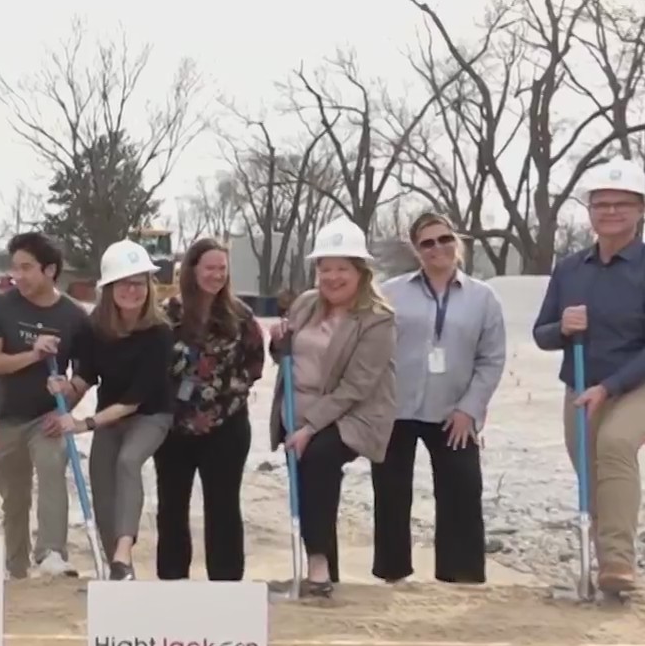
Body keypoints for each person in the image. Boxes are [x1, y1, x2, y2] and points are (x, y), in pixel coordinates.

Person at [372, 212, 506, 585]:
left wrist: (470, 409)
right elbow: (369, 345)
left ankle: (460, 574)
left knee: (462, 489)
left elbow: (491, 358)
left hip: (454, 412)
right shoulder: (391, 292)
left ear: (456, 242)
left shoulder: (483, 298)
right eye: (427, 242)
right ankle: (392, 572)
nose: (437, 248)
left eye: (444, 239)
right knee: (391, 492)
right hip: (396, 407)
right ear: (416, 250)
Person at [267, 218, 398, 598]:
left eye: (343, 268)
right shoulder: (308, 303)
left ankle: (319, 568)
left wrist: (309, 428)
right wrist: (278, 344)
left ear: (361, 272)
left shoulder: (378, 319)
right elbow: (288, 356)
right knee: (308, 475)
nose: (333, 277)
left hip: (354, 412)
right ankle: (322, 572)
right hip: (302, 406)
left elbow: (357, 385)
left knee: (320, 459)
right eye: (325, 268)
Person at [534, 157, 645, 600]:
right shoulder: (570, 268)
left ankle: (619, 558)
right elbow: (541, 334)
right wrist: (563, 327)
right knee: (589, 472)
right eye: (601, 204)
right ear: (590, 211)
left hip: (634, 383)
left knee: (615, 446)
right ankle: (606, 571)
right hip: (581, 385)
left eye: (622, 204)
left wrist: (610, 387)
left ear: (640, 210)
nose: (611, 212)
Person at [50, 240, 175, 581]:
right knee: (102, 483)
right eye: (124, 283)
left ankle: (123, 551)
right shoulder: (95, 328)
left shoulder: (160, 333)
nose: (131, 290)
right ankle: (118, 570)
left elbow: (136, 399)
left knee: (128, 461)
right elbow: (87, 375)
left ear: (148, 287)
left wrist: (85, 423)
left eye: (138, 282)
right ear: (109, 288)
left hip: (150, 416)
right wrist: (66, 388)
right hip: (111, 417)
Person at [0, 231, 92, 577]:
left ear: (50, 270)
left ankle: (52, 552)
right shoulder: (0, 306)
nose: (18, 276)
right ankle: (15, 565)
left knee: (52, 468)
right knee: (15, 497)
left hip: (47, 417)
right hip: (5, 415)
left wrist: (67, 400)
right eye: (15, 268)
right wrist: (33, 354)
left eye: (27, 268)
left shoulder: (74, 316)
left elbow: (86, 375)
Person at [154, 237, 265, 582]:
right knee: (172, 505)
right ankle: (172, 578)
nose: (216, 275)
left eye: (222, 268)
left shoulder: (241, 315)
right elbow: (151, 363)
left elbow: (255, 362)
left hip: (227, 426)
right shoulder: (167, 314)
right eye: (209, 268)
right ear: (192, 270)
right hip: (173, 428)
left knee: (223, 506)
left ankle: (227, 579)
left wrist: (224, 396)